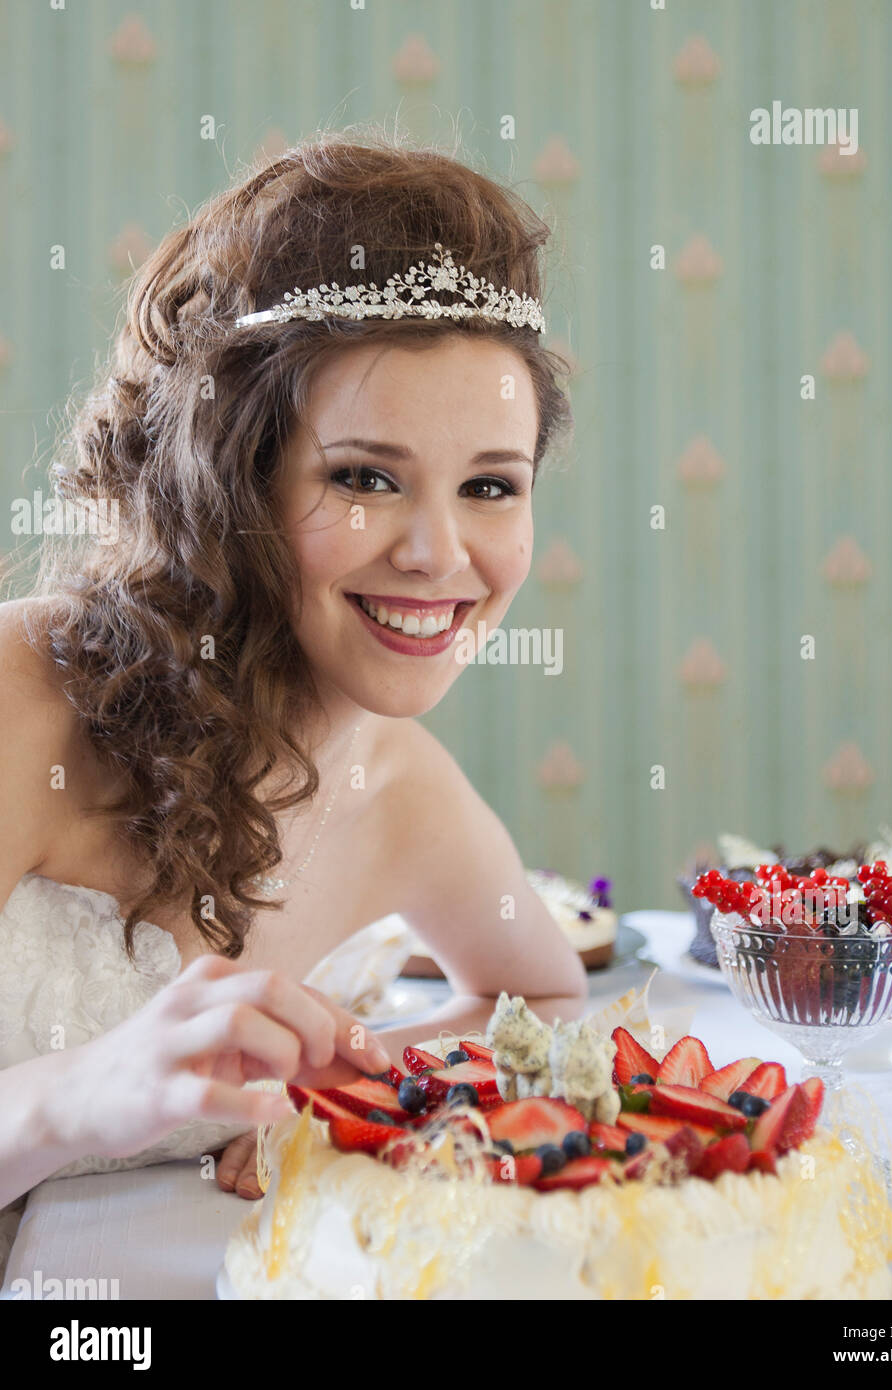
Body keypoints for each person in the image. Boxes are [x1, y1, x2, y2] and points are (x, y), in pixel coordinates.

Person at [0, 131, 588, 1269]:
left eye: (489, 487)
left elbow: (544, 1002)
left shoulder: (403, 785)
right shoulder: (23, 701)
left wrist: (363, 1094)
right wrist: (78, 1096)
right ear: (235, 477)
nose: (437, 551)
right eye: (363, 476)